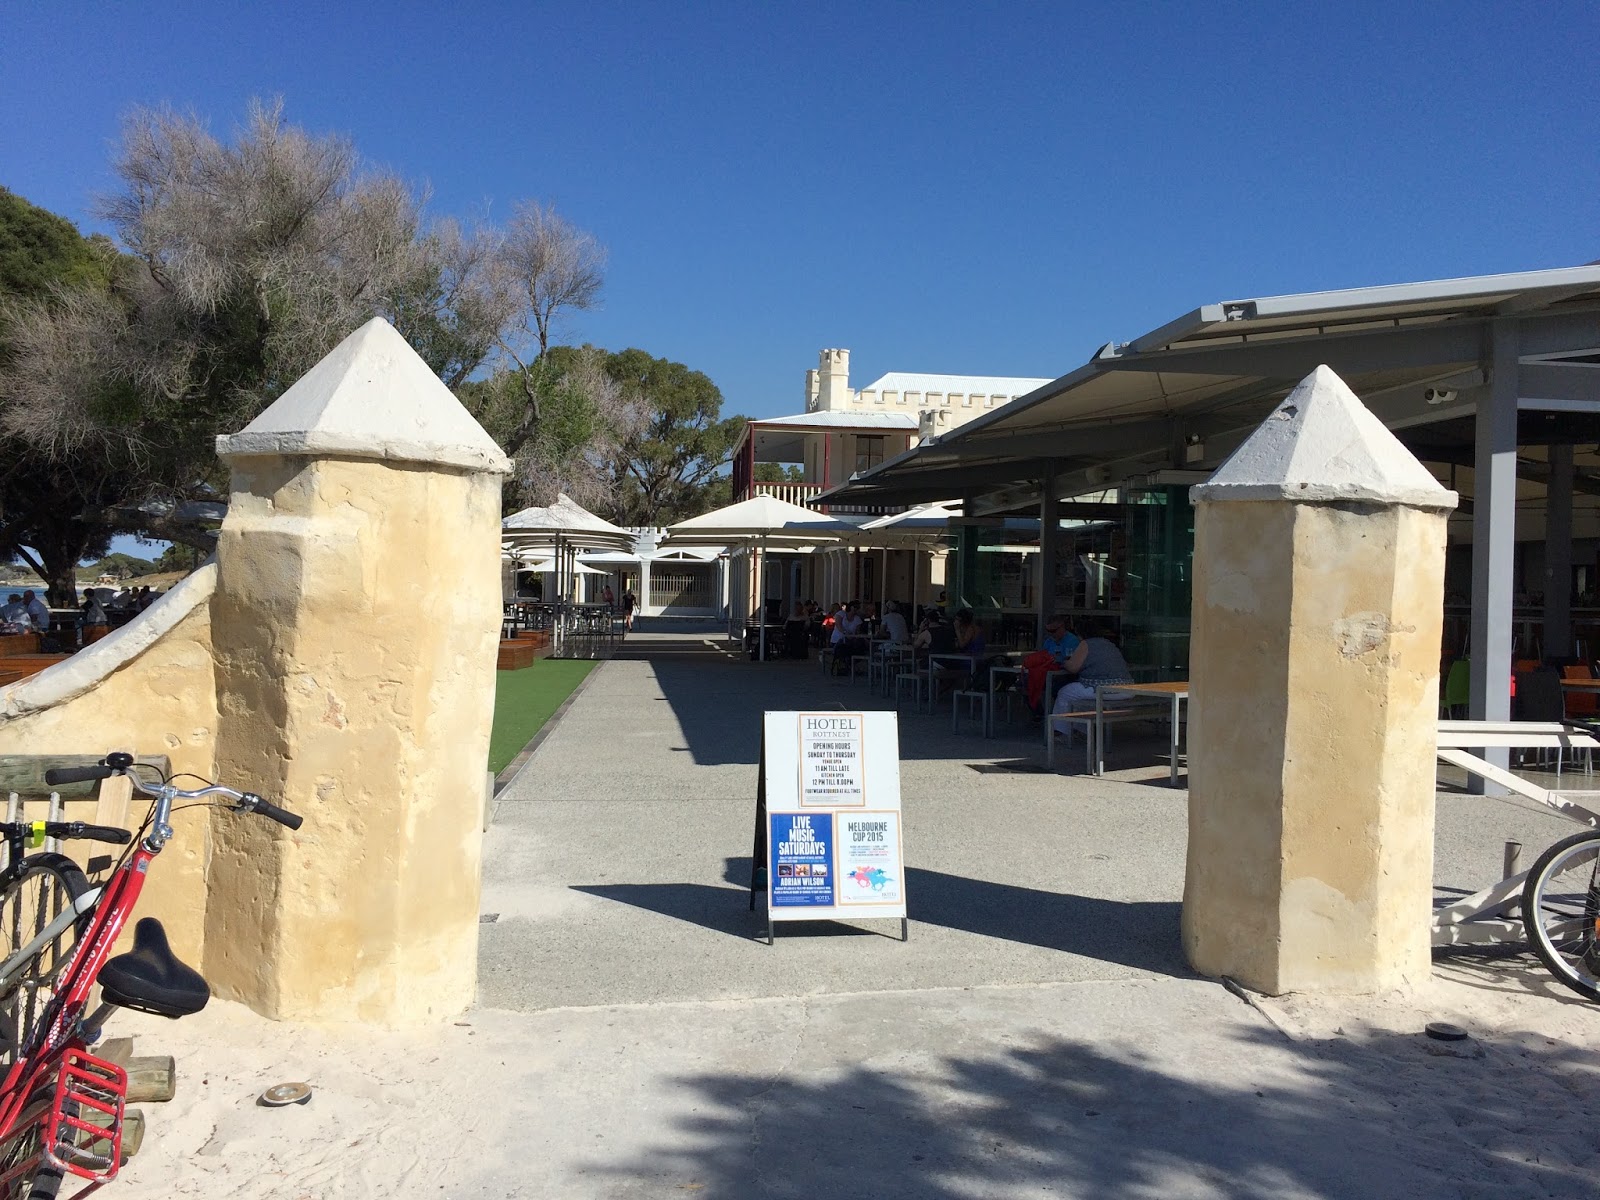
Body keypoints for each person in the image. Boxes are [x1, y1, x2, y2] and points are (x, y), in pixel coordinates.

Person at [1051, 624, 1135, 715]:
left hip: (1103, 689)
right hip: (1127, 689)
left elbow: (1073, 668)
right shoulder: (1109, 643)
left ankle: (1062, 728)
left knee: (1065, 692)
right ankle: (1082, 726)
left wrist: (1064, 663)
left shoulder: (1086, 643)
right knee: (1080, 698)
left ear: (1081, 635)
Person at [1021, 614, 1082, 713]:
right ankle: (1039, 713)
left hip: (1066, 674)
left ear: (1062, 627)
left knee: (1056, 687)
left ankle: (1055, 714)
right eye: (1048, 631)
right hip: (1048, 673)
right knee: (1024, 683)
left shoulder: (1072, 641)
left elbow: (1073, 662)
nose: (1051, 634)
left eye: (1053, 631)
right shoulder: (1049, 641)